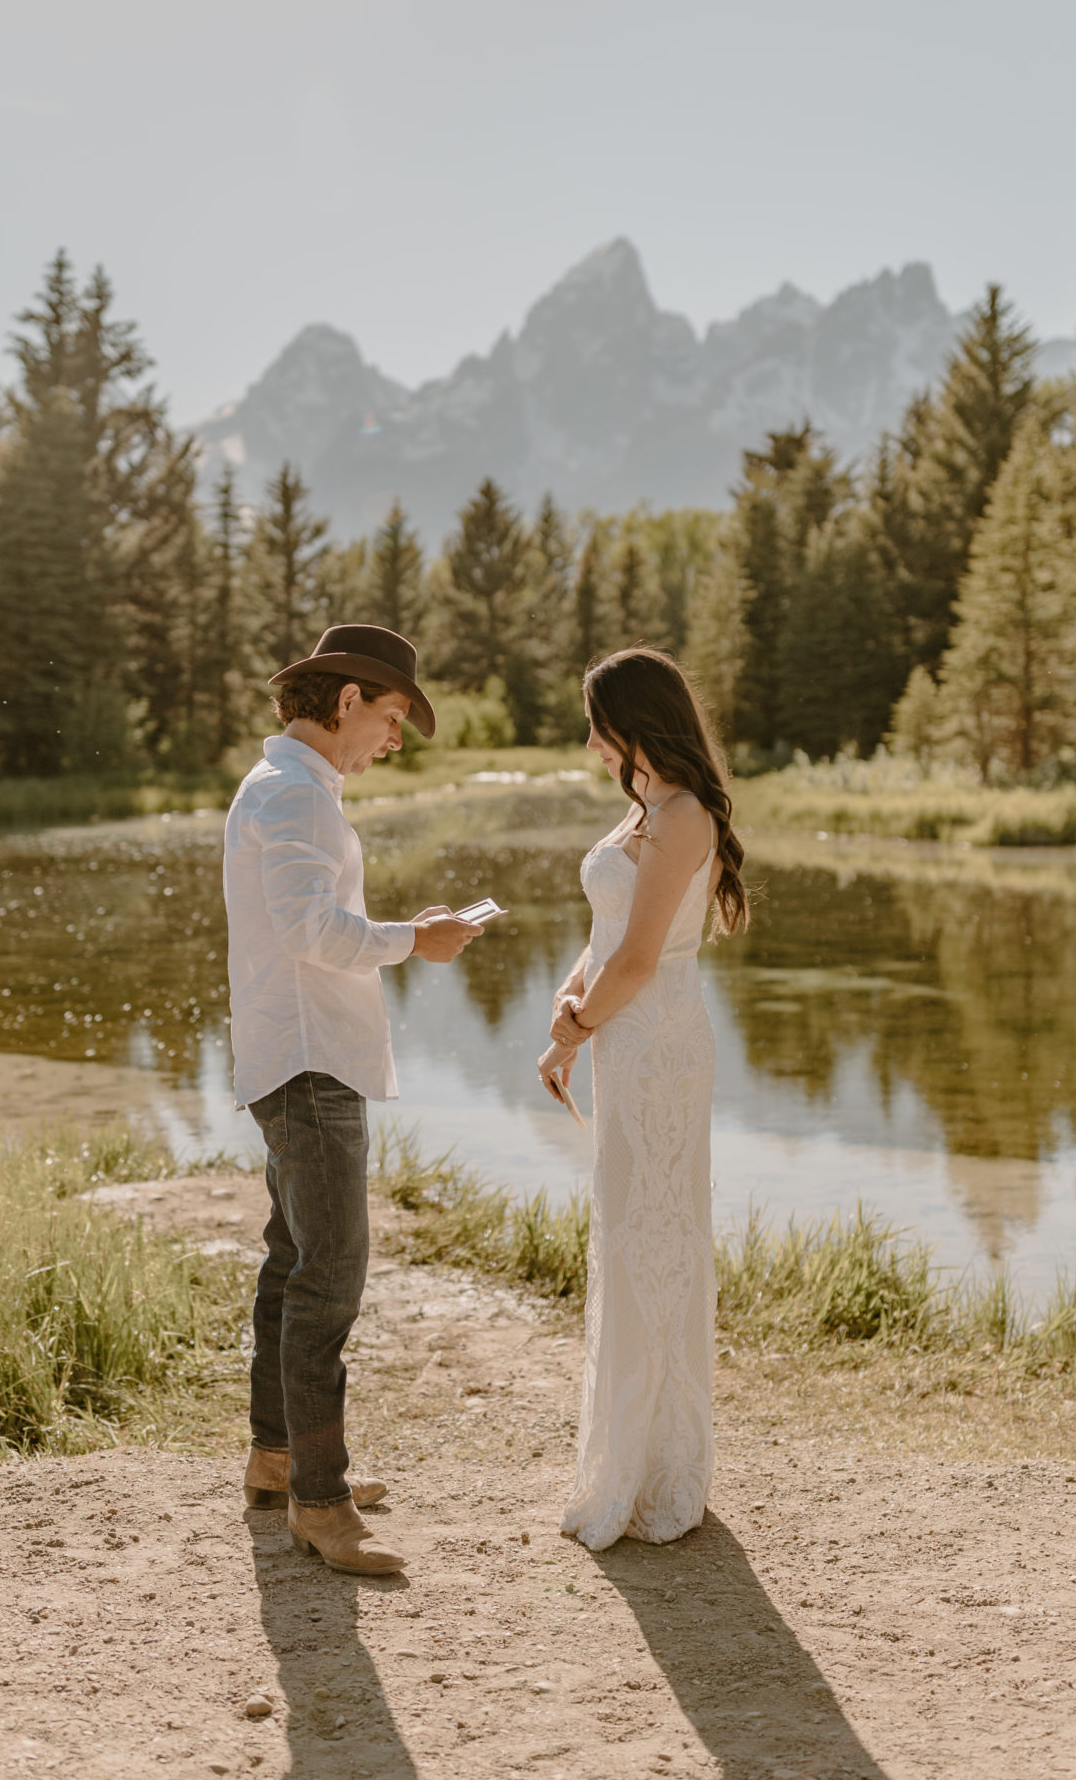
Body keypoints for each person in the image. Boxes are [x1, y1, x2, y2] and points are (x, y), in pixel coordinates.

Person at [224, 624, 482, 1575]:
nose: (395, 739)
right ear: (345, 702)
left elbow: (307, 923)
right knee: (327, 1281)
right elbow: (310, 930)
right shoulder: (295, 792)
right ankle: (319, 1503)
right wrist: (415, 939)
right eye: (392, 716)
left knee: (291, 1265)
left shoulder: (284, 786)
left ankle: (278, 1458)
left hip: (292, 1056)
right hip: (311, 1065)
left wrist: (406, 931)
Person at [537, 647, 750, 1550]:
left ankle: (663, 1468)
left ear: (635, 723)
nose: (591, 744)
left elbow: (639, 956)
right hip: (624, 1040)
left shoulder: (684, 815)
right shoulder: (644, 810)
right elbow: (607, 936)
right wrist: (569, 996)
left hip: (659, 1050)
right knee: (626, 1236)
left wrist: (572, 1034)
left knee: (656, 1240)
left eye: (599, 727)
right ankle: (627, 1450)